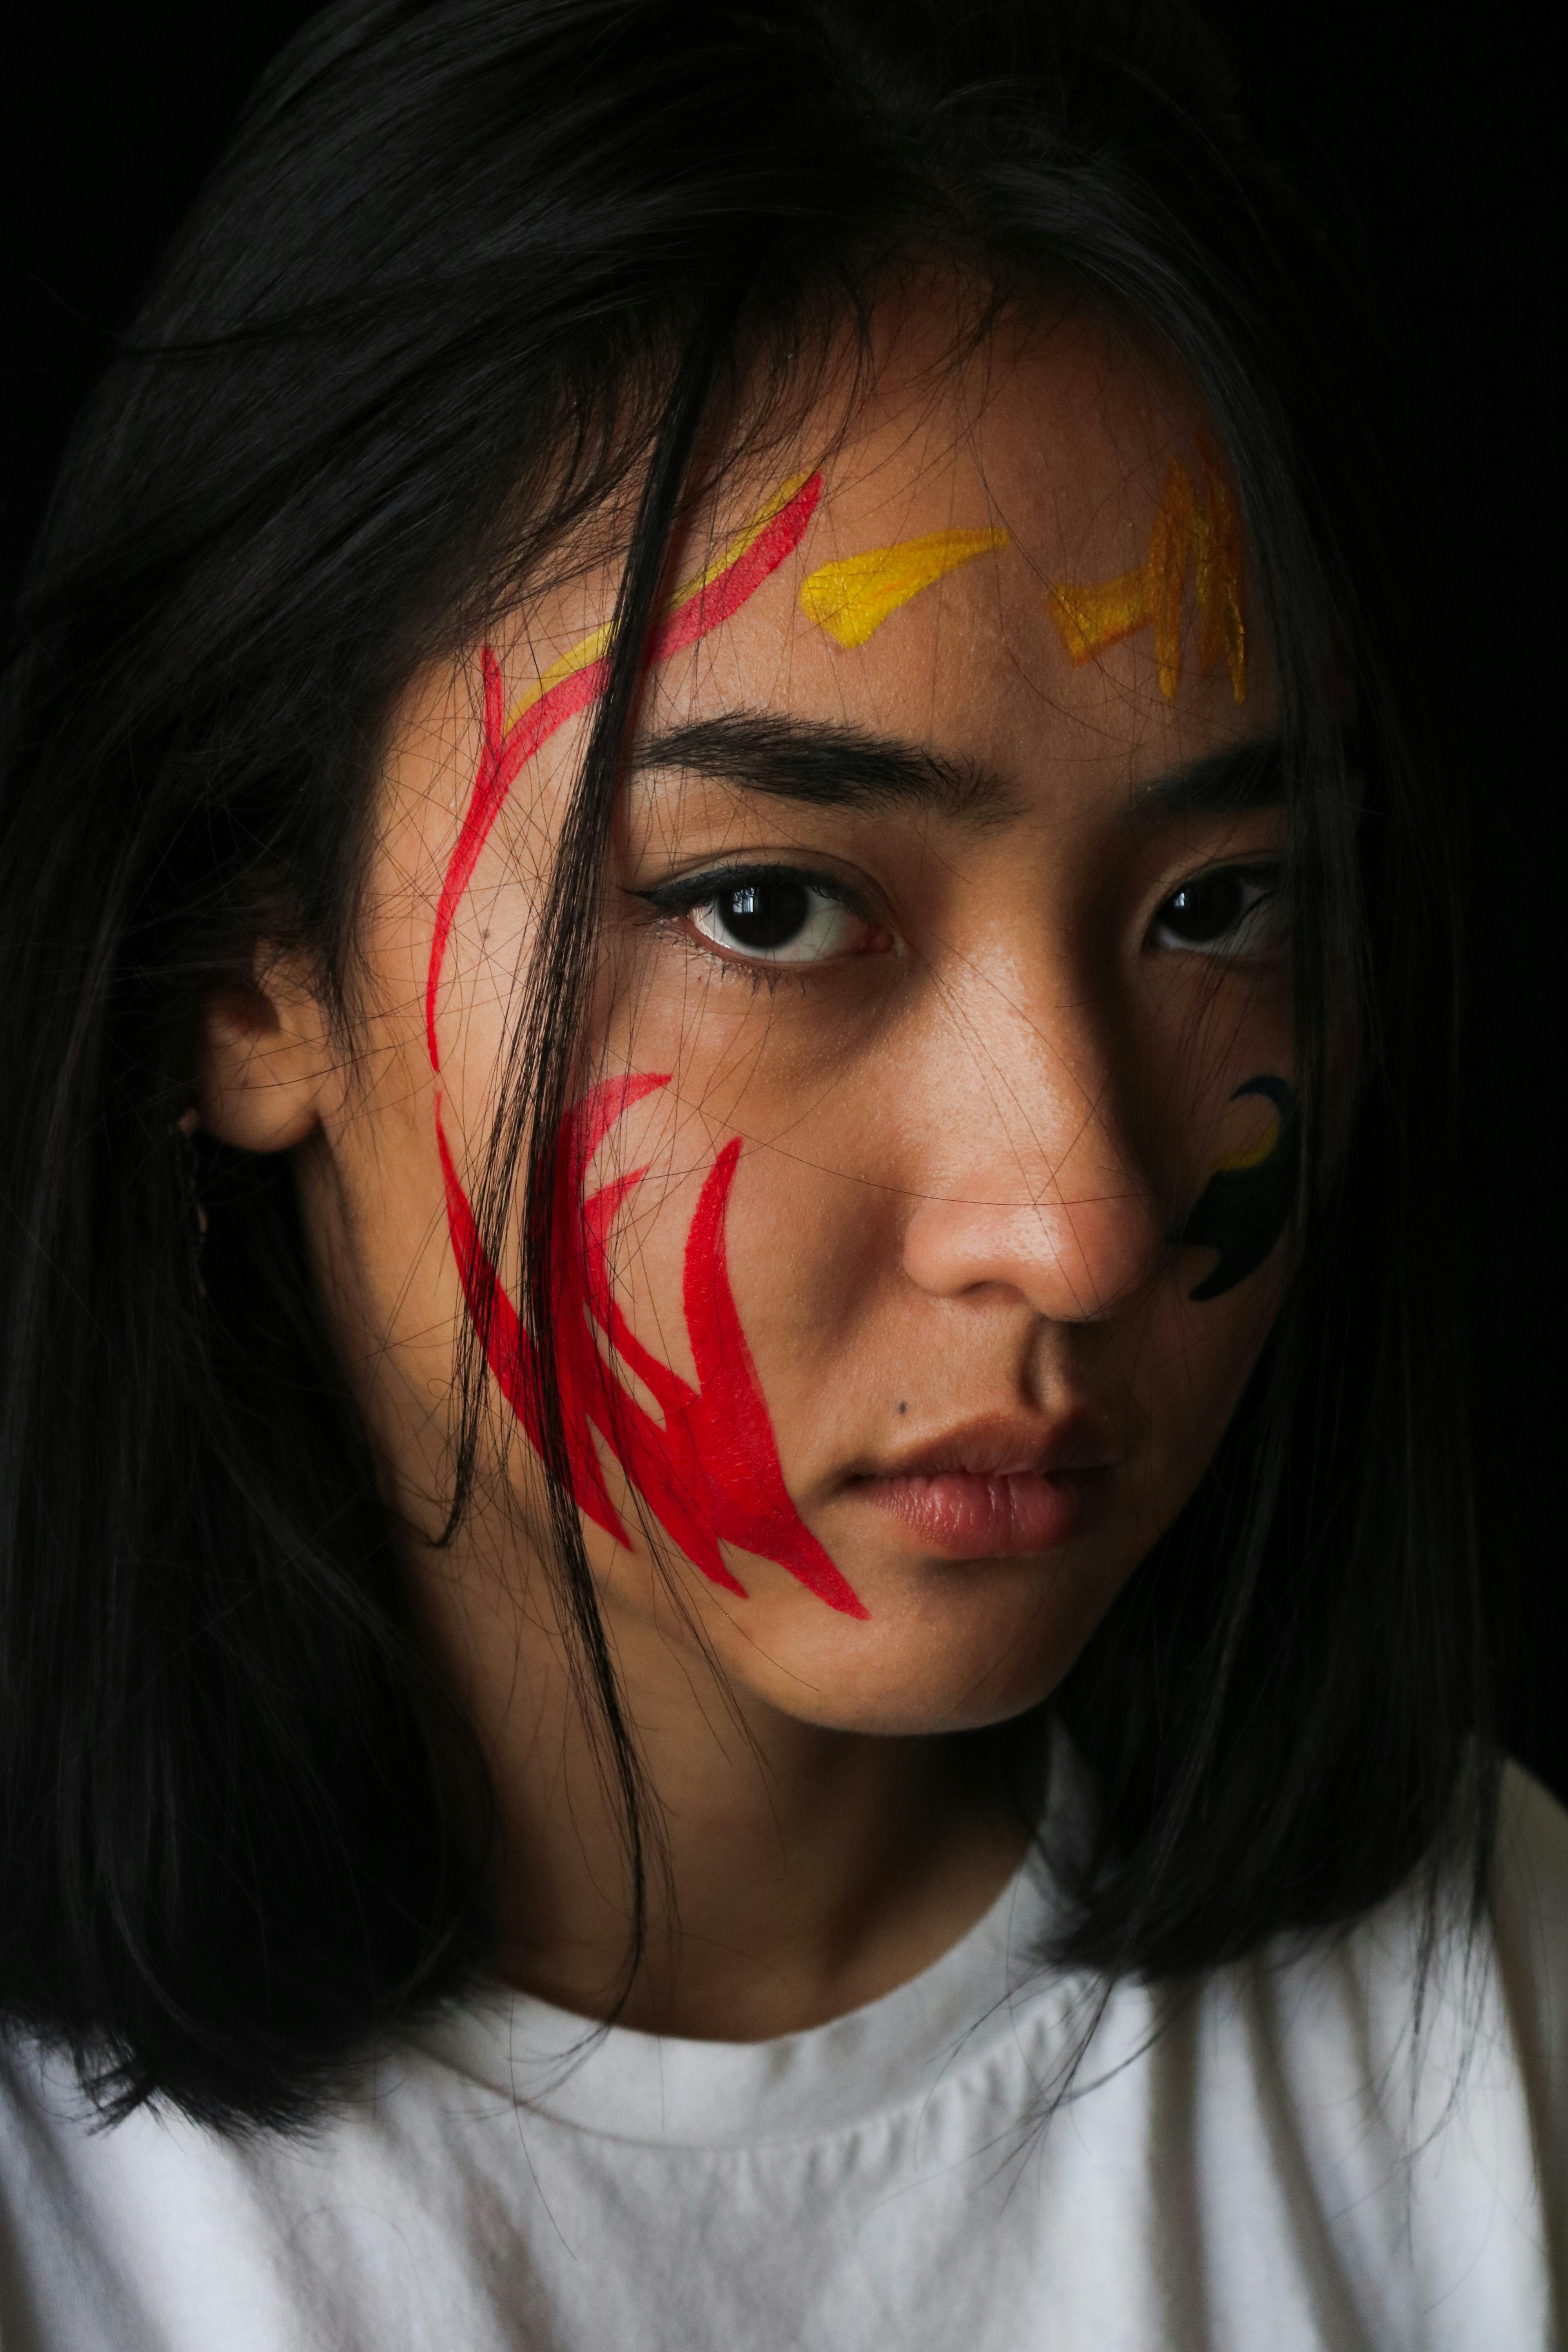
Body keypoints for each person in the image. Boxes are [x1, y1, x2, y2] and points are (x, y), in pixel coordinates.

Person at [0, 1, 1561, 2344]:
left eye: (1219, 907)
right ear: (249, 971)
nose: (1085, 1218)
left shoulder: (1505, 2024)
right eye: (768, 907)